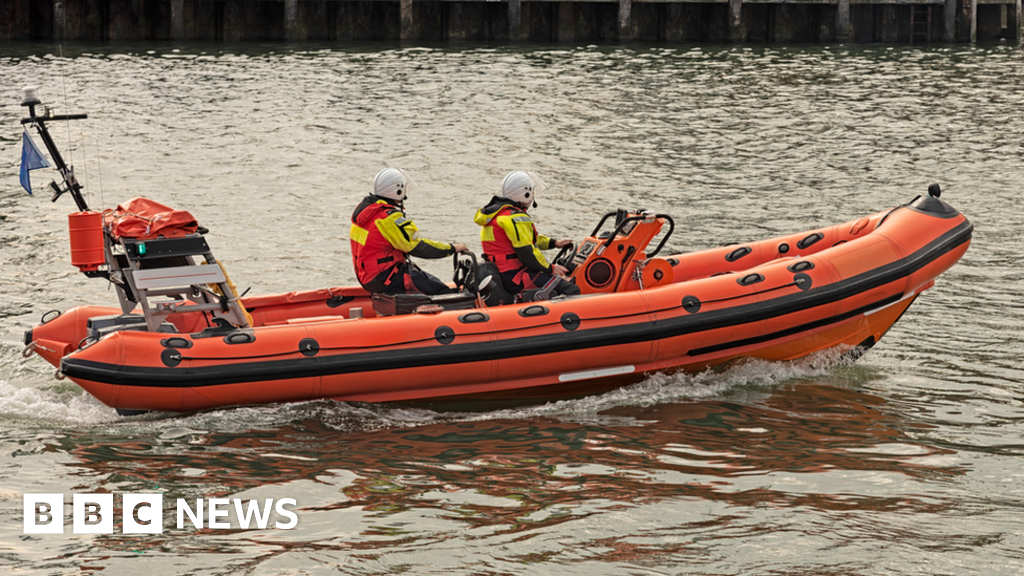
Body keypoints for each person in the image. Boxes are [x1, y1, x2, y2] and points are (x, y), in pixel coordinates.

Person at [351, 168, 467, 295]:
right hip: (386, 277)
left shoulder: (366, 212)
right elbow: (417, 247)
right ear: (397, 190)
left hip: (369, 277)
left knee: (423, 278)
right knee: (442, 292)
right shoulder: (388, 218)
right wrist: (452, 248)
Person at [473, 171, 581, 299]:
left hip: (503, 273)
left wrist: (554, 243)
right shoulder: (515, 217)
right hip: (514, 276)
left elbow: (527, 240)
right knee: (571, 289)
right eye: (532, 191)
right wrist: (552, 268)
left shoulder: (496, 215)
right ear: (525, 192)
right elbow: (527, 252)